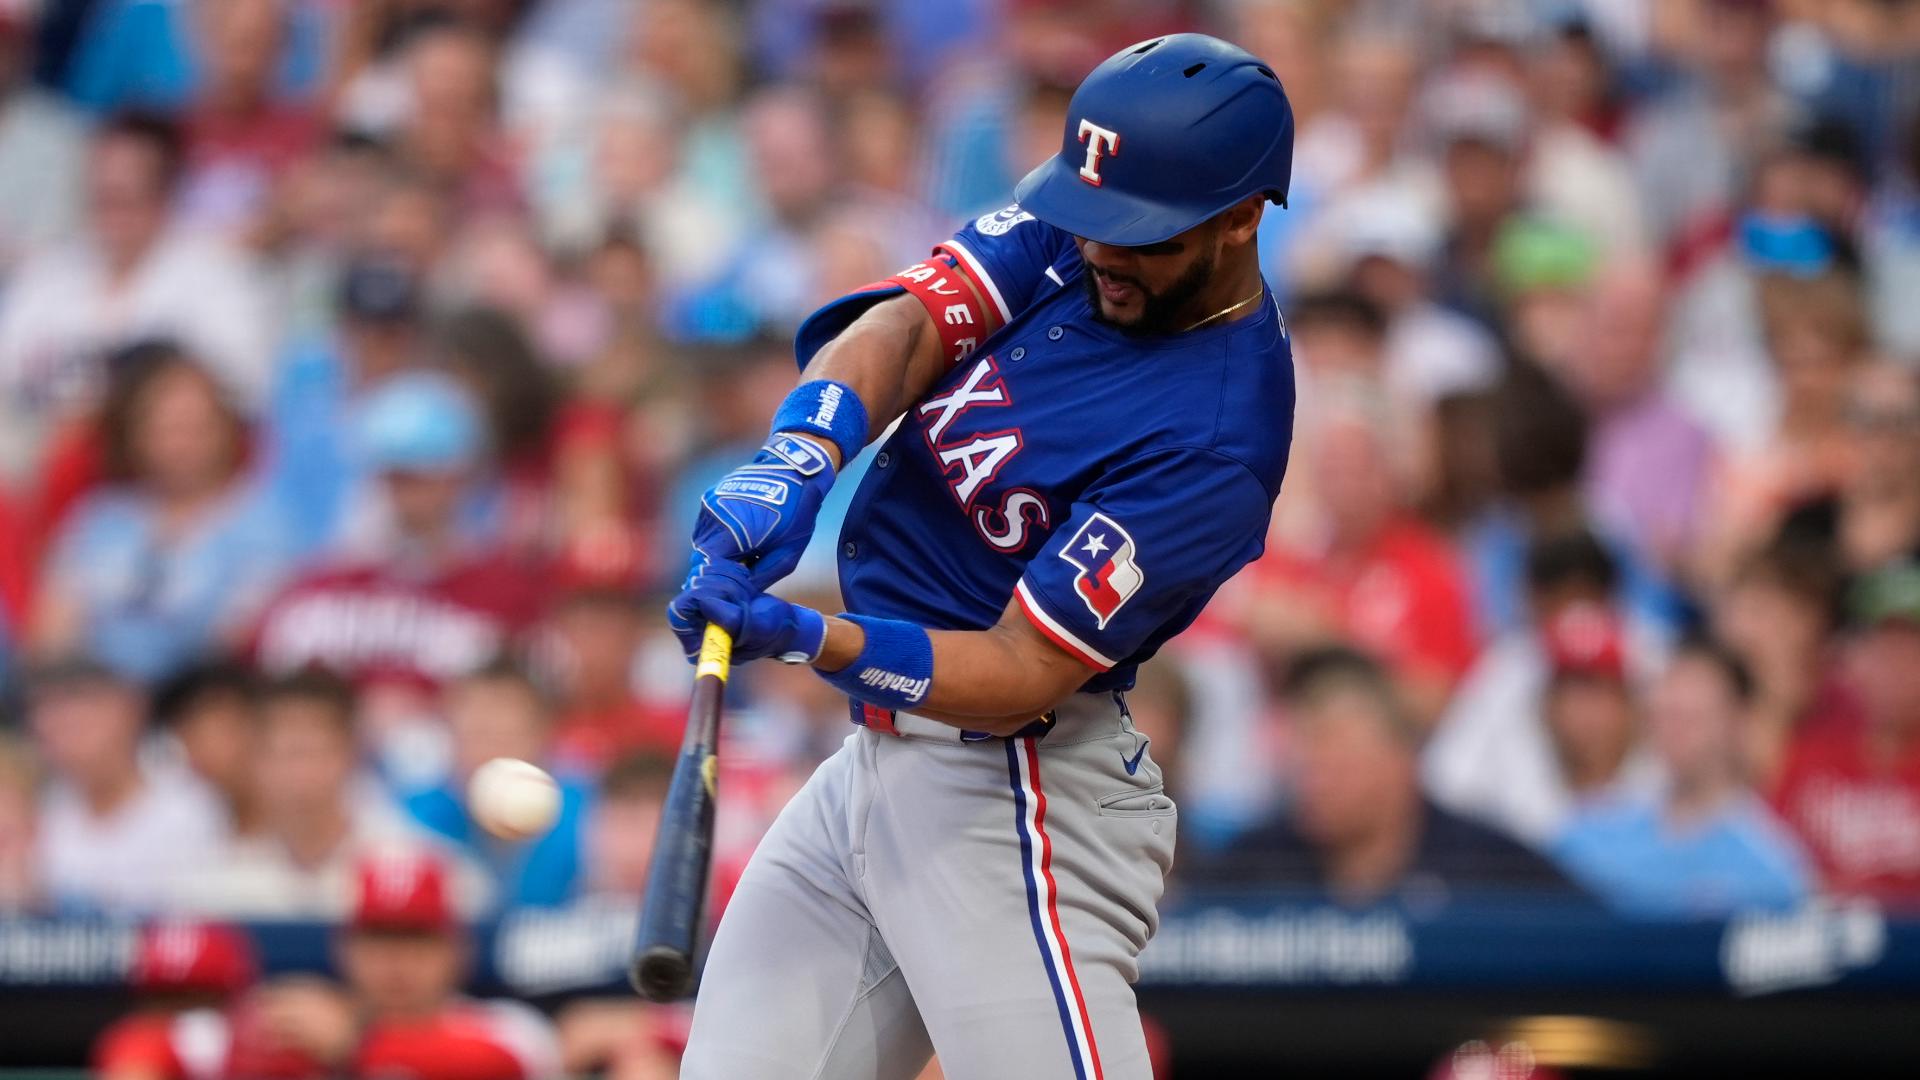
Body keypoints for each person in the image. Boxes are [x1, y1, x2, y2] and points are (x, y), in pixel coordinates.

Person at [665, 34, 1295, 1079]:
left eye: (1141, 237)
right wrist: (802, 451)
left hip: (1022, 799)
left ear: (1238, 221)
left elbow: (1015, 676)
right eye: (1097, 219)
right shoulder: (1091, 214)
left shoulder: (1219, 438)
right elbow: (906, 331)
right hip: (875, 773)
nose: (1101, 251)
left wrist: (809, 635)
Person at [1186, 646, 1575, 906]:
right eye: (1304, 761)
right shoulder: (1256, 864)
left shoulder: (1488, 865)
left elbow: (1599, 937)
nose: (1312, 779)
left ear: (1400, 761)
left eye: (1336, 760)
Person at [249, 371, 548, 693]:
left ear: (461, 477)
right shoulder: (318, 590)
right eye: (394, 476)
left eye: (421, 476)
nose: (406, 494)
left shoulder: (509, 595)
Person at [30, 344, 294, 683]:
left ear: (226, 428)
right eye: (167, 428)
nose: (182, 444)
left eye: (196, 426)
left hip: (201, 702)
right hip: (91, 702)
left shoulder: (264, 523)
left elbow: (237, 642)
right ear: (134, 434)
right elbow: (52, 633)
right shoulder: (99, 519)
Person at [180, 669, 491, 919]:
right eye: (284, 753)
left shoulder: (415, 862)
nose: (300, 773)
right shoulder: (220, 876)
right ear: (256, 762)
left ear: (350, 755)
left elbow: (479, 906)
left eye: (313, 751)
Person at [1553, 637, 1812, 917]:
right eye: (1666, 715)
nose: (1674, 732)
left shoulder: (1771, 867)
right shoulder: (1589, 831)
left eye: (1692, 718)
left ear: (1738, 722)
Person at [1771, 559, 1920, 907]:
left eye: (1911, 651)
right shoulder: (1811, 753)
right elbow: (1773, 868)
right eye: (1882, 649)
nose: (1895, 667)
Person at [26, 655, 225, 913]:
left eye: (81, 715)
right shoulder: (42, 807)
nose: (63, 727)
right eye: (52, 715)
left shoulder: (189, 806)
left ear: (129, 712)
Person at [395, 659, 592, 907]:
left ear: (544, 737)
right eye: (478, 734)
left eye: (507, 736)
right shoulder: (413, 819)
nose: (492, 753)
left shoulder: (591, 818)